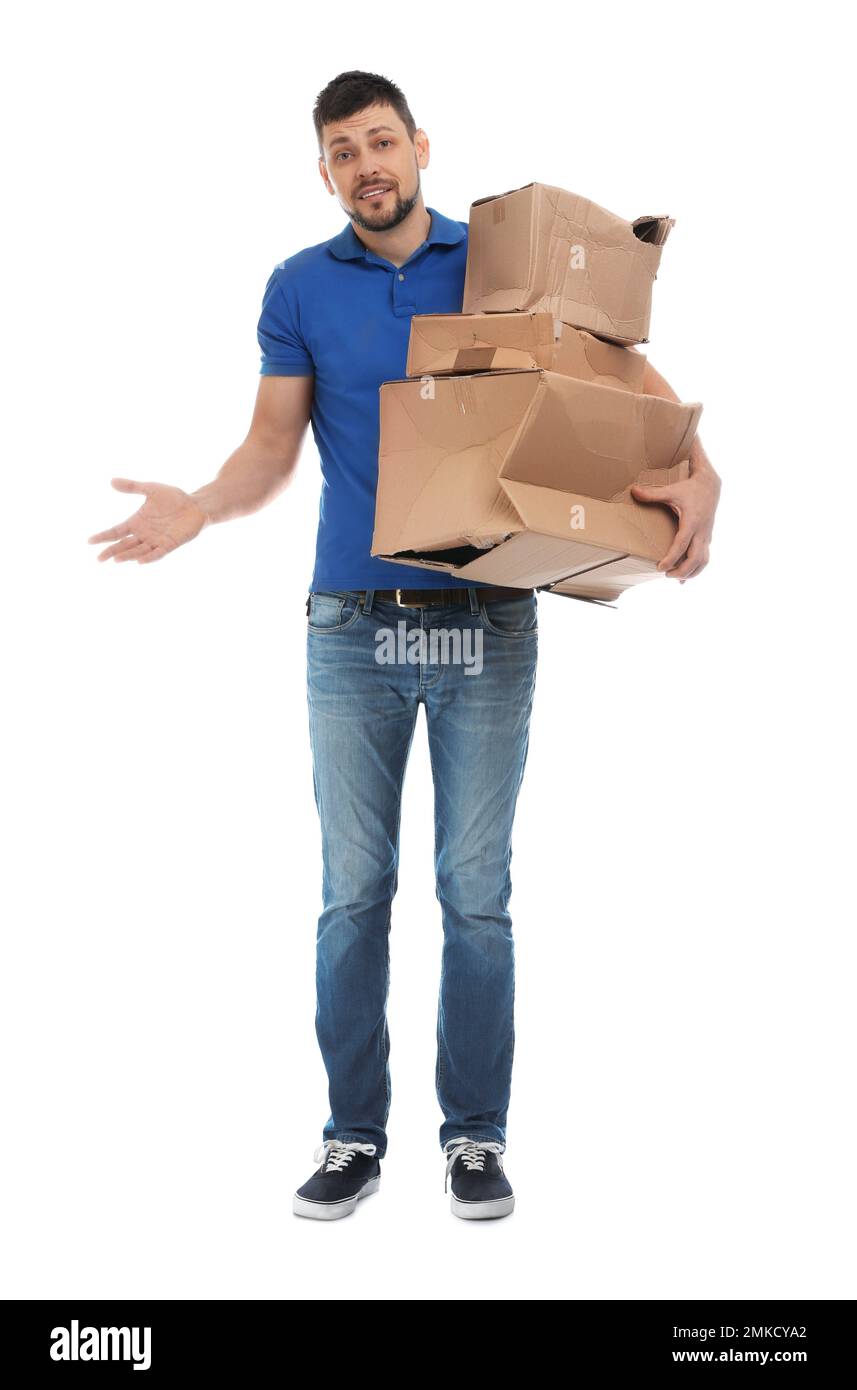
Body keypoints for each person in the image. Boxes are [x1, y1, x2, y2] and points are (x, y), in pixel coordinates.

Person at [89, 70, 722, 1222]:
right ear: (324, 170)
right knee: (353, 894)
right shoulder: (295, 287)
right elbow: (270, 451)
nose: (365, 163)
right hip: (350, 628)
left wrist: (697, 466)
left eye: (381, 140)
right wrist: (199, 504)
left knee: (473, 895)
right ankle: (352, 1137)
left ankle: (474, 1137)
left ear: (419, 145)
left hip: (484, 617)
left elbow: (617, 368)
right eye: (342, 151)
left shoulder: (491, 258)